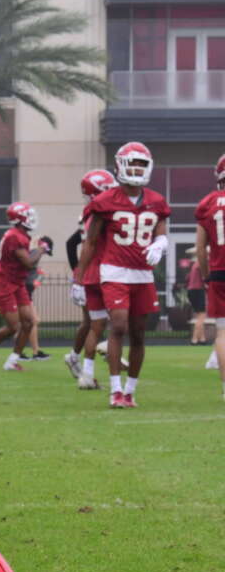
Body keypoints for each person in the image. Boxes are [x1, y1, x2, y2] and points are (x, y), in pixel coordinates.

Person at [76, 142, 170, 408]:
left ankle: (130, 391)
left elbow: (161, 233)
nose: (137, 168)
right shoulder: (104, 201)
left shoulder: (156, 201)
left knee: (139, 334)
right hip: (114, 271)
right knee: (118, 325)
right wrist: (79, 279)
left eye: (142, 163)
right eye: (133, 163)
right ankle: (115, 390)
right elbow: (91, 242)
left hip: (143, 274)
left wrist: (161, 244)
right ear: (120, 165)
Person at [0, 203, 53, 372]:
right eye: (28, 215)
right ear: (20, 219)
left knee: (29, 322)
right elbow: (29, 263)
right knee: (14, 326)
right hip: (5, 285)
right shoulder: (15, 236)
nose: (31, 219)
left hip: (18, 283)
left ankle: (12, 361)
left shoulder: (16, 235)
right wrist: (42, 249)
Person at [65, 168, 118, 389]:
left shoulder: (88, 213)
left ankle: (86, 371)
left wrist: (78, 274)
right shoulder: (100, 213)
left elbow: (74, 243)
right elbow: (82, 244)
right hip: (105, 272)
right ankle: (108, 351)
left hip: (90, 274)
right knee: (121, 320)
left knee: (94, 324)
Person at [194, 153, 225, 400]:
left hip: (219, 272)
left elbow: (201, 249)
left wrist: (205, 276)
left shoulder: (208, 203)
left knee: (223, 333)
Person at [185, 248, 207, 345]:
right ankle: (194, 339)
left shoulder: (194, 265)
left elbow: (187, 278)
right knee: (202, 315)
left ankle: (202, 339)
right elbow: (206, 278)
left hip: (191, 291)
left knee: (199, 315)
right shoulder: (202, 264)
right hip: (198, 290)